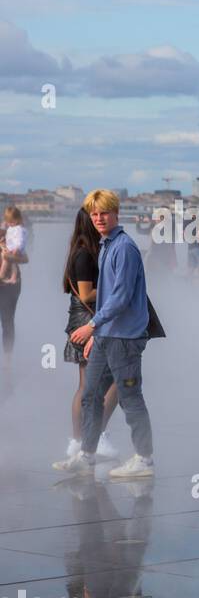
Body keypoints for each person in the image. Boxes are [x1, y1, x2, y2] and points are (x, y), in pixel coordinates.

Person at [54, 189, 156, 478]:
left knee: (130, 397)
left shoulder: (123, 247)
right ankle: (86, 454)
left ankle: (144, 460)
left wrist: (91, 326)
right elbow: (105, 296)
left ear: (116, 213)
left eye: (104, 213)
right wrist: (97, 336)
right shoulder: (107, 245)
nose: (99, 218)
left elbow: (120, 298)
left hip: (124, 338)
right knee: (90, 395)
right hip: (106, 335)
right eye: (94, 214)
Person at [61, 209, 120, 459]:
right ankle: (94, 435)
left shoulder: (81, 250)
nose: (101, 221)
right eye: (95, 217)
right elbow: (86, 295)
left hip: (81, 318)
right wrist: (118, 288)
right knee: (116, 379)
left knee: (88, 385)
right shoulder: (85, 254)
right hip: (86, 319)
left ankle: (78, 441)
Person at [0, 205, 29, 378]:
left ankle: (7, 364)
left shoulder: (9, 234)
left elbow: (25, 258)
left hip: (10, 284)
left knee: (7, 321)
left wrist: (7, 256)